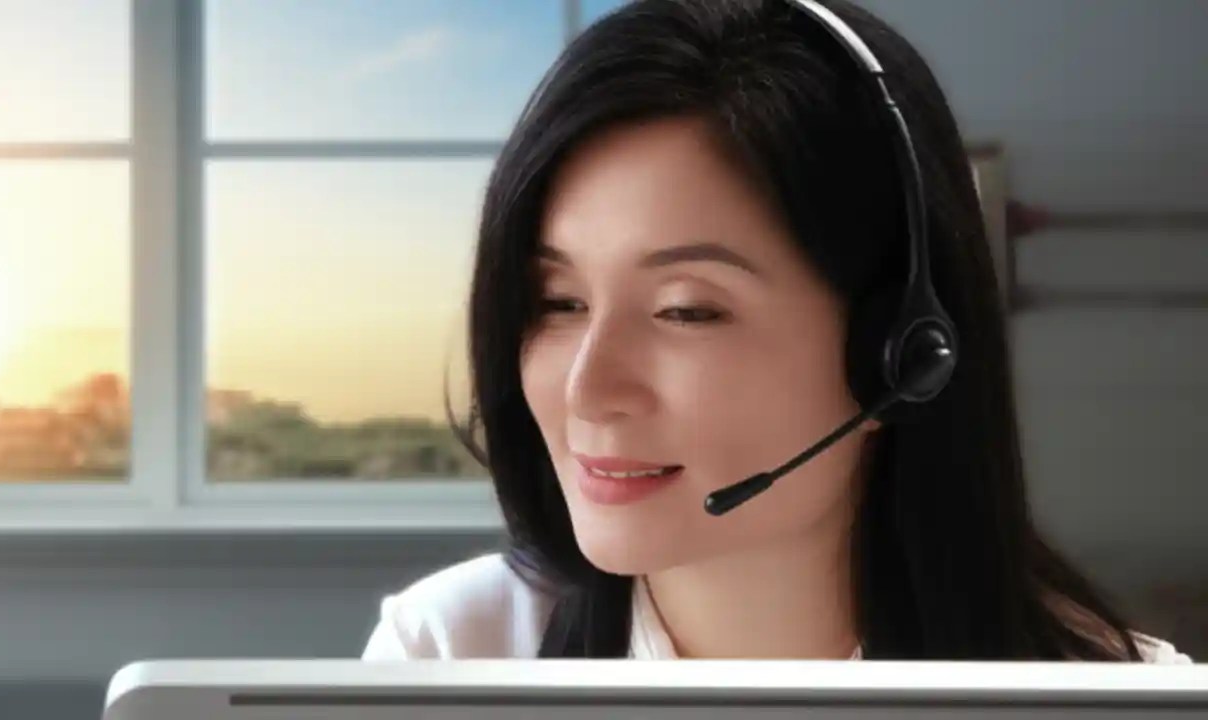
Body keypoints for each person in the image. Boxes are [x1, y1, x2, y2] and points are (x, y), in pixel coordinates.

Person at [361, 0, 1193, 663]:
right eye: (558, 302)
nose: (588, 389)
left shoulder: (1121, 699)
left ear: (901, 354)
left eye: (686, 310)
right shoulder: (449, 654)